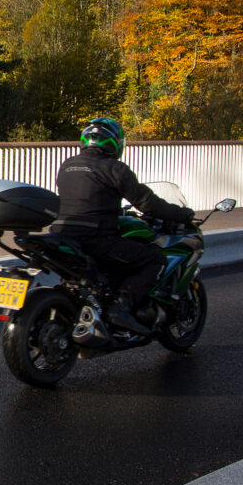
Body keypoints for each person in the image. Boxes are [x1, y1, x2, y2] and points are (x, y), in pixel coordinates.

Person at [50, 116, 193, 332]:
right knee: (155, 259)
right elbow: (148, 203)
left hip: (60, 236)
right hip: (95, 239)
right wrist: (182, 214)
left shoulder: (68, 165)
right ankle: (121, 306)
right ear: (115, 142)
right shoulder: (115, 169)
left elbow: (87, 197)